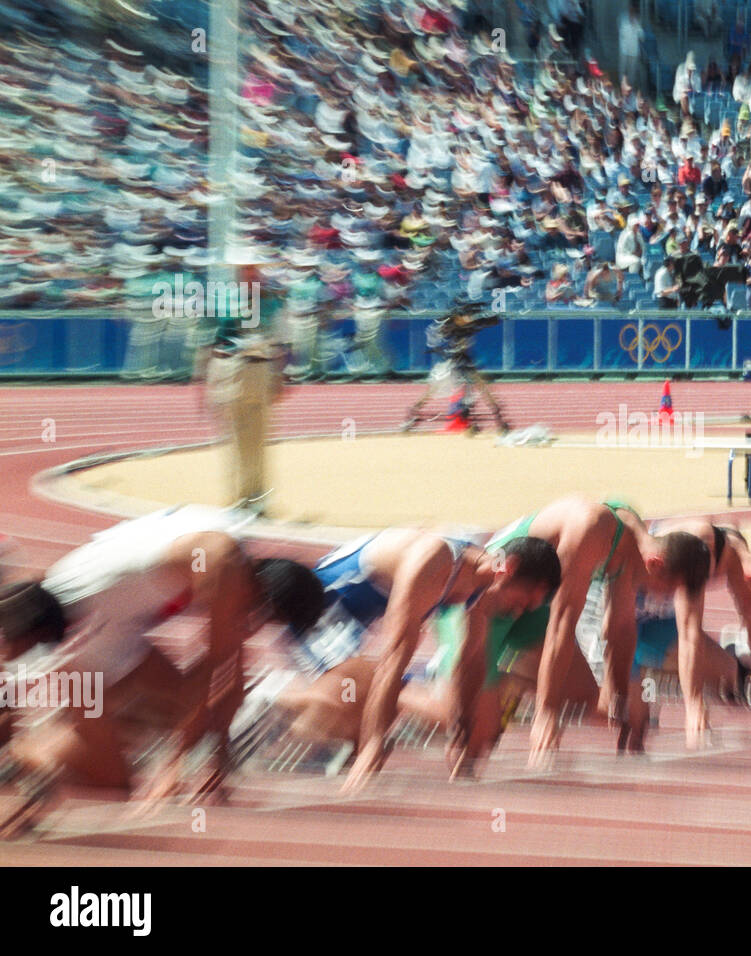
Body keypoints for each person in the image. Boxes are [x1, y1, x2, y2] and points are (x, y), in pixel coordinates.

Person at [0, 507, 324, 832]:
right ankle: (23, 759)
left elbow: (231, 670)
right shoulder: (221, 564)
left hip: (113, 621)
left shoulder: (230, 556)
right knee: (113, 779)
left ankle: (77, 733)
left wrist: (217, 754)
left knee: (173, 712)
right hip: (80, 628)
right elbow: (217, 669)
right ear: (264, 597)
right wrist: (174, 763)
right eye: (268, 620)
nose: (258, 628)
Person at [258, 528, 563, 788]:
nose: (518, 611)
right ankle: (271, 700)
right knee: (352, 694)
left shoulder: (482, 589)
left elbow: (471, 664)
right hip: (322, 603)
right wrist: (372, 744)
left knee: (378, 699)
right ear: (507, 568)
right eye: (523, 601)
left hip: (360, 617)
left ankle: (321, 727)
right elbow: (394, 656)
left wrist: (460, 738)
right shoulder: (434, 562)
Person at [449, 497, 709, 768]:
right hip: (496, 595)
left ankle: (512, 685)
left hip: (535, 605)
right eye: (668, 590)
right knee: (475, 733)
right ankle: (412, 692)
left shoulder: (633, 549)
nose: (664, 599)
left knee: (593, 700)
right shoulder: (592, 530)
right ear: (655, 564)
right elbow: (562, 623)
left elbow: (620, 628)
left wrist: (619, 701)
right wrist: (546, 712)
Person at [624, 518, 751, 752]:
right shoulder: (695, 551)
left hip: (658, 618)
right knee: (616, 712)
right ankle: (642, 688)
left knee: (731, 675)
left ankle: (649, 683)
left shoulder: (733, 558)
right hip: (627, 610)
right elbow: (689, 635)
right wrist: (694, 706)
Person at [198, 252, 288, 513]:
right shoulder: (221, 298)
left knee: (258, 439)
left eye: (253, 268)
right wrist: (204, 381)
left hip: (260, 368)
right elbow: (208, 341)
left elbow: (280, 341)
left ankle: (258, 498)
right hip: (229, 367)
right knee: (234, 438)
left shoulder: (270, 301)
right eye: (244, 269)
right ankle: (238, 498)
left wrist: (279, 377)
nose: (249, 272)